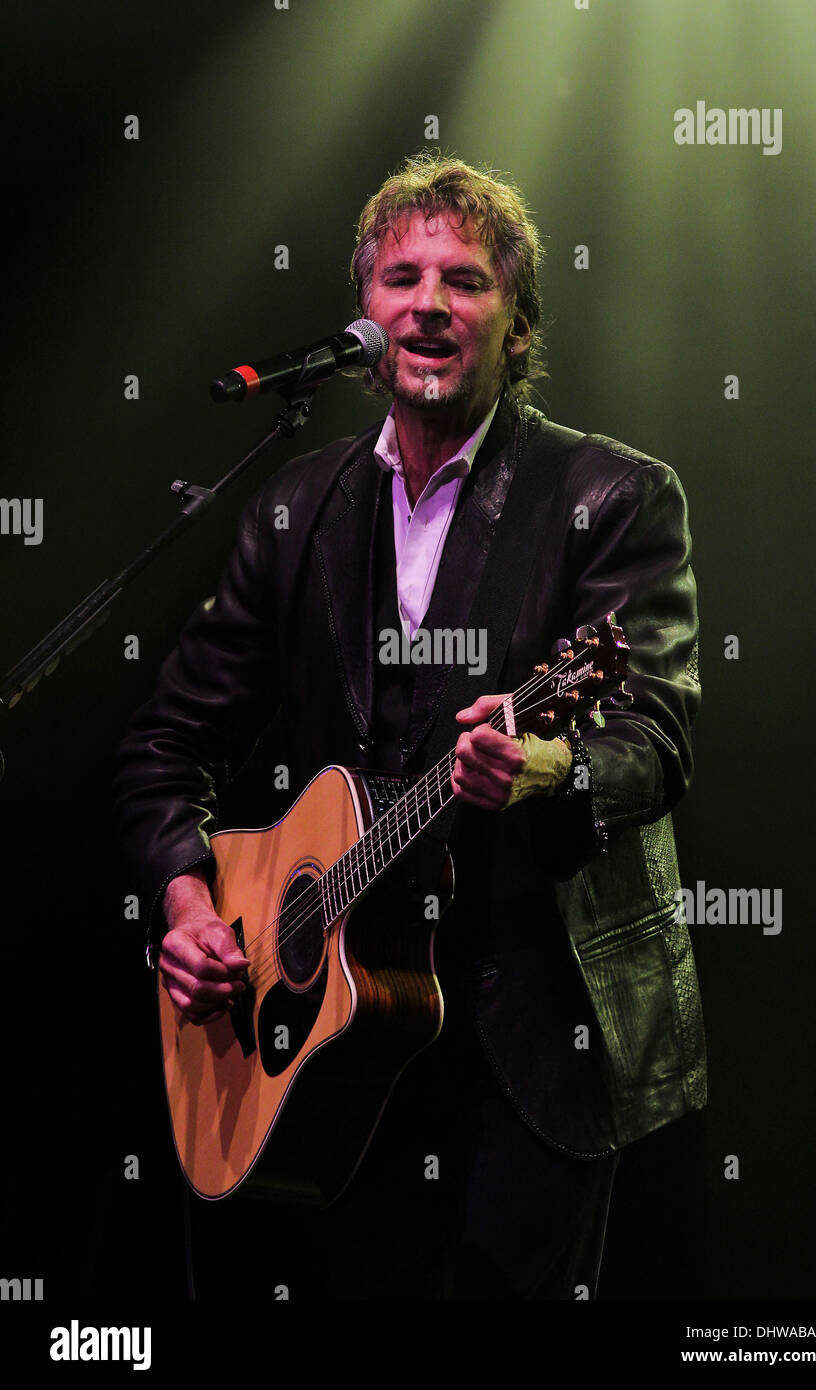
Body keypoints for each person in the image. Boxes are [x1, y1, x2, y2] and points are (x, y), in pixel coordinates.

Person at [112, 150, 706, 1301]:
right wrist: (184, 899)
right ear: (365, 318)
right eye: (401, 277)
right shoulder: (298, 505)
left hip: (529, 1028)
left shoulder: (610, 497)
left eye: (464, 280)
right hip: (336, 1040)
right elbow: (166, 740)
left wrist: (548, 764)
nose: (428, 302)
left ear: (515, 326)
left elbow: (653, 736)